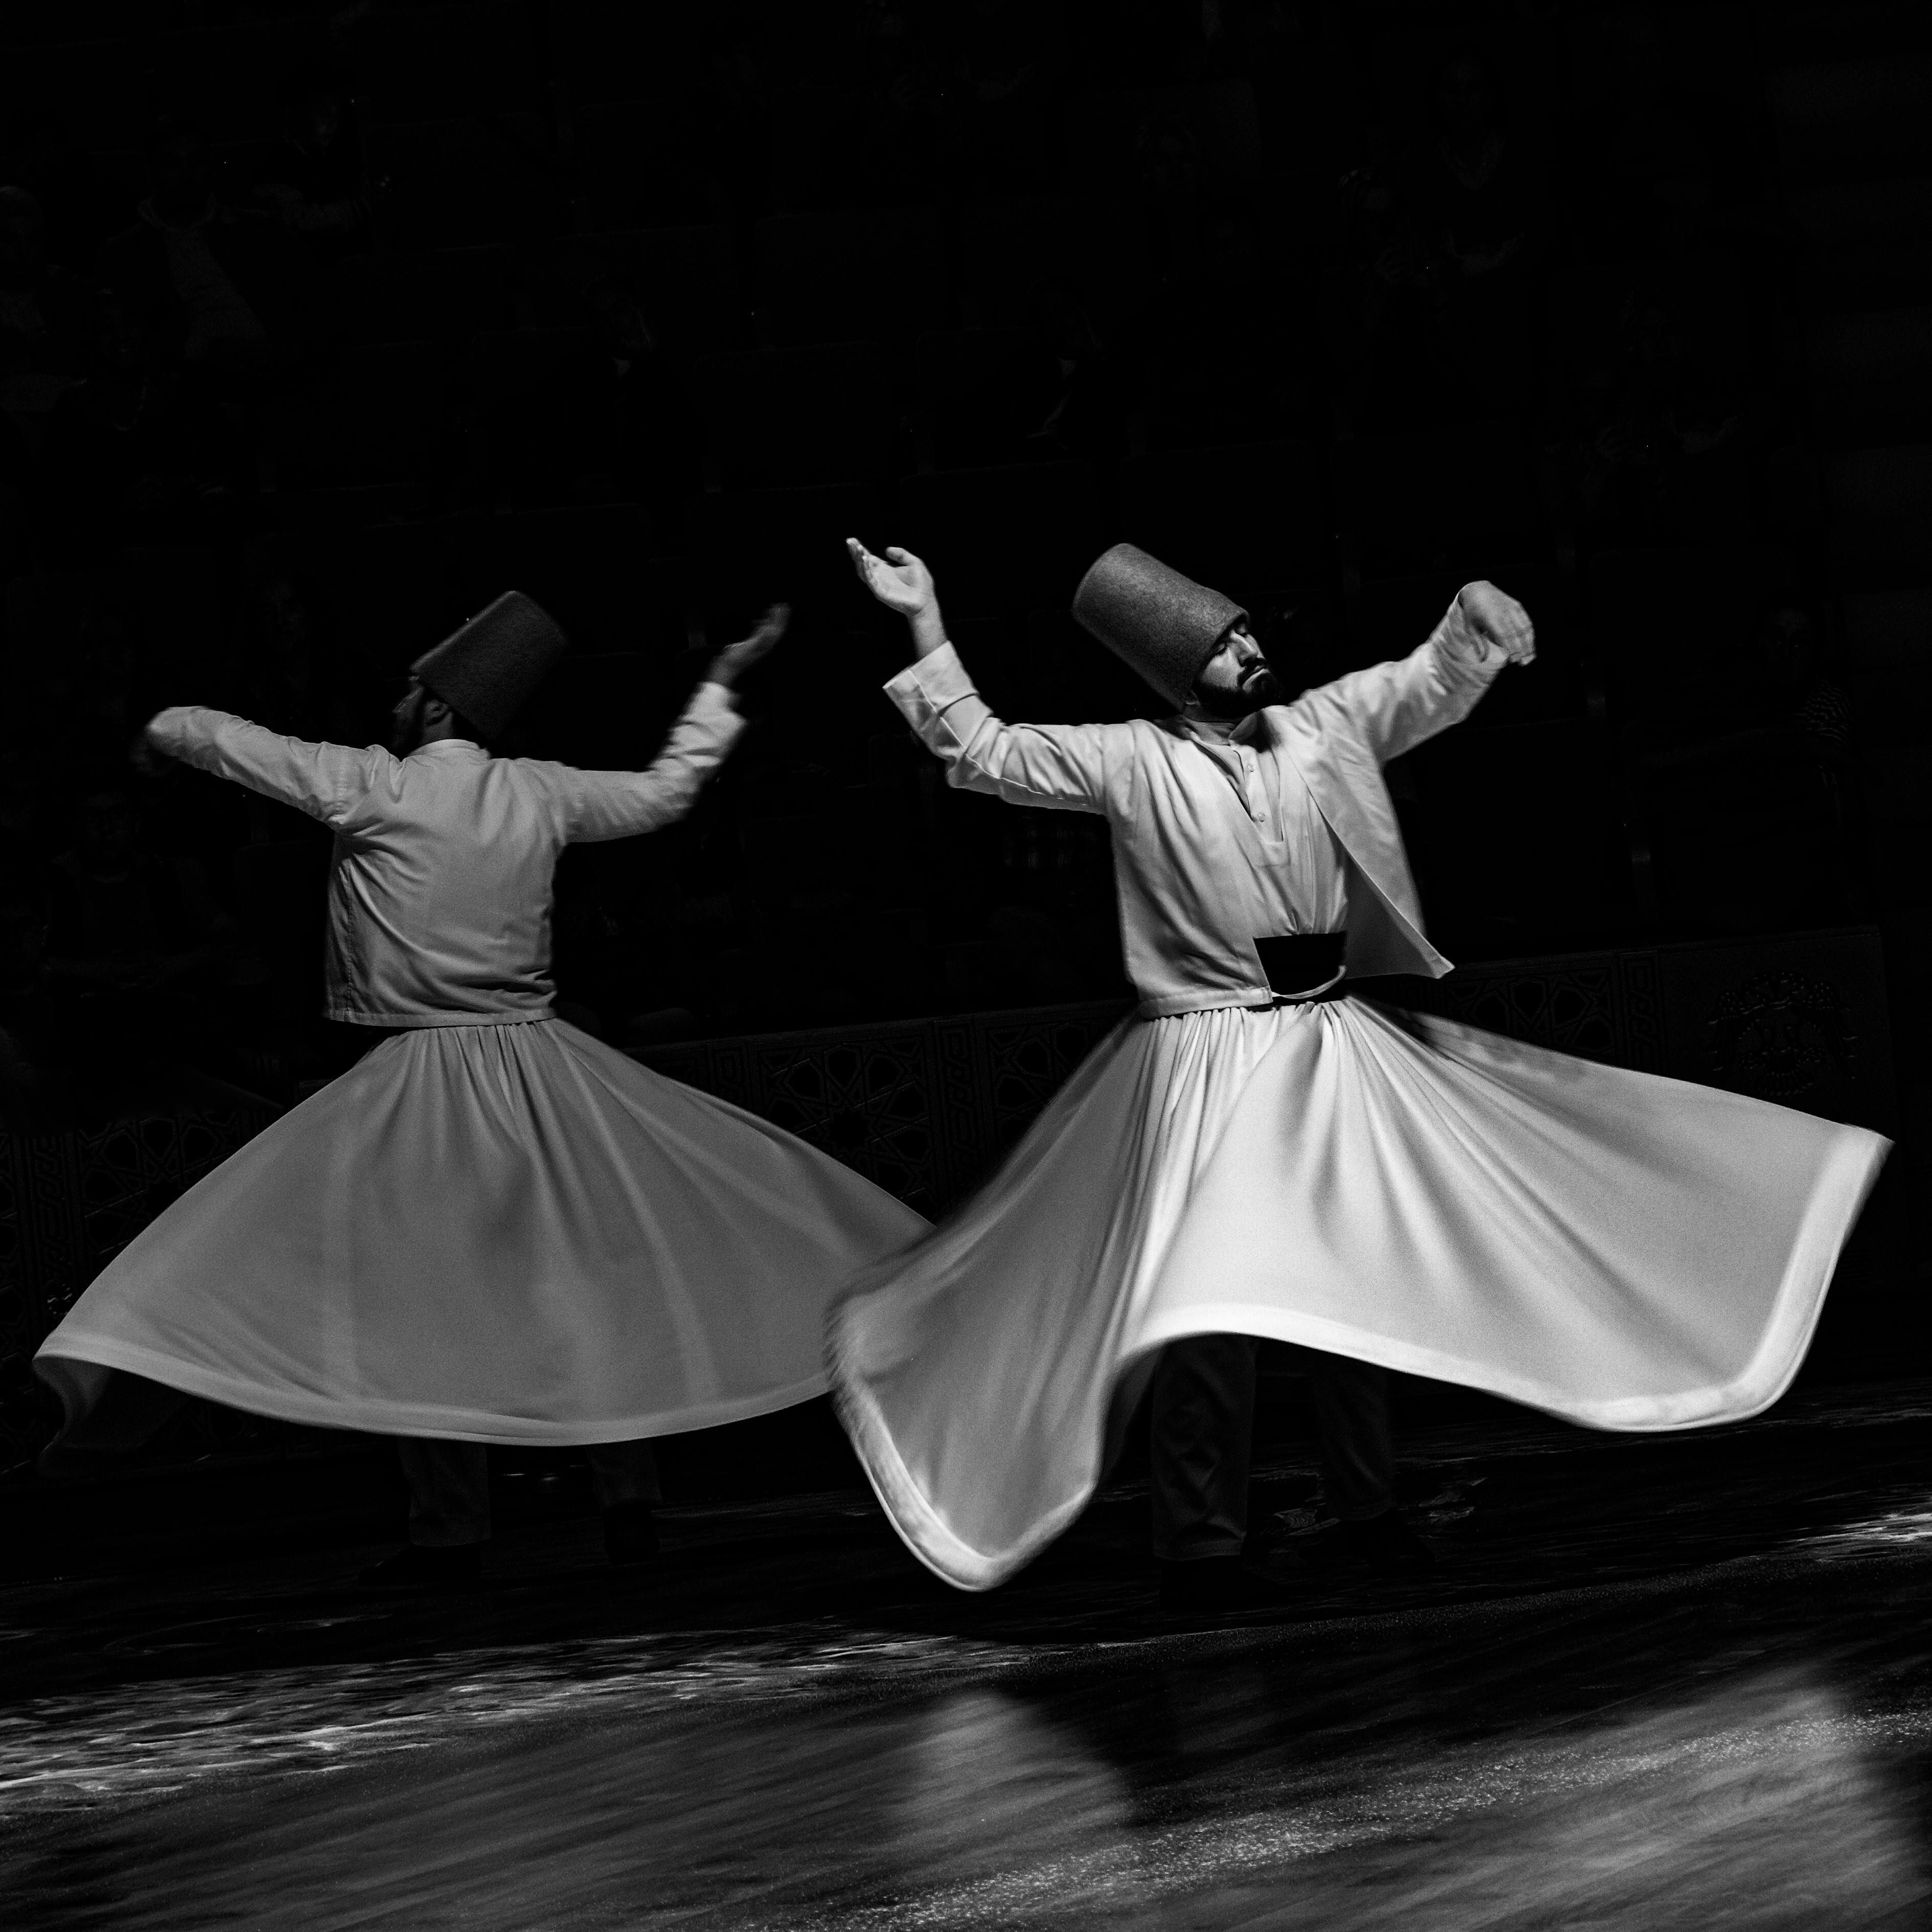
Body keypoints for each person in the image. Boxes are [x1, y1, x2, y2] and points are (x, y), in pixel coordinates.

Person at [830, 537, 1891, 1611]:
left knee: (1349, 1272)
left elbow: (1421, 686)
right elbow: (984, 752)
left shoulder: (1319, 729)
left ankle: (1369, 1508)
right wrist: (923, 620)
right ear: (1173, 668)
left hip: (1324, 1034)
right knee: (1205, 1307)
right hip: (1208, 1045)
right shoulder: (1129, 760)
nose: (1249, 647)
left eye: (1245, 630)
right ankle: (1202, 1540)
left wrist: (1473, 615)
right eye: (1224, 640)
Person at [35, 591, 928, 1588]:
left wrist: (159, 734)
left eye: (415, 689)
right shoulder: (537, 791)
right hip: (546, 1071)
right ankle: (627, 1501)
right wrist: (718, 687)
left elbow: (234, 744)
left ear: (437, 711)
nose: (400, 699)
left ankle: (453, 1527)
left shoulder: (374, 786)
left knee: (425, 1303)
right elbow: (667, 794)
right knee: (585, 1285)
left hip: (425, 1081)